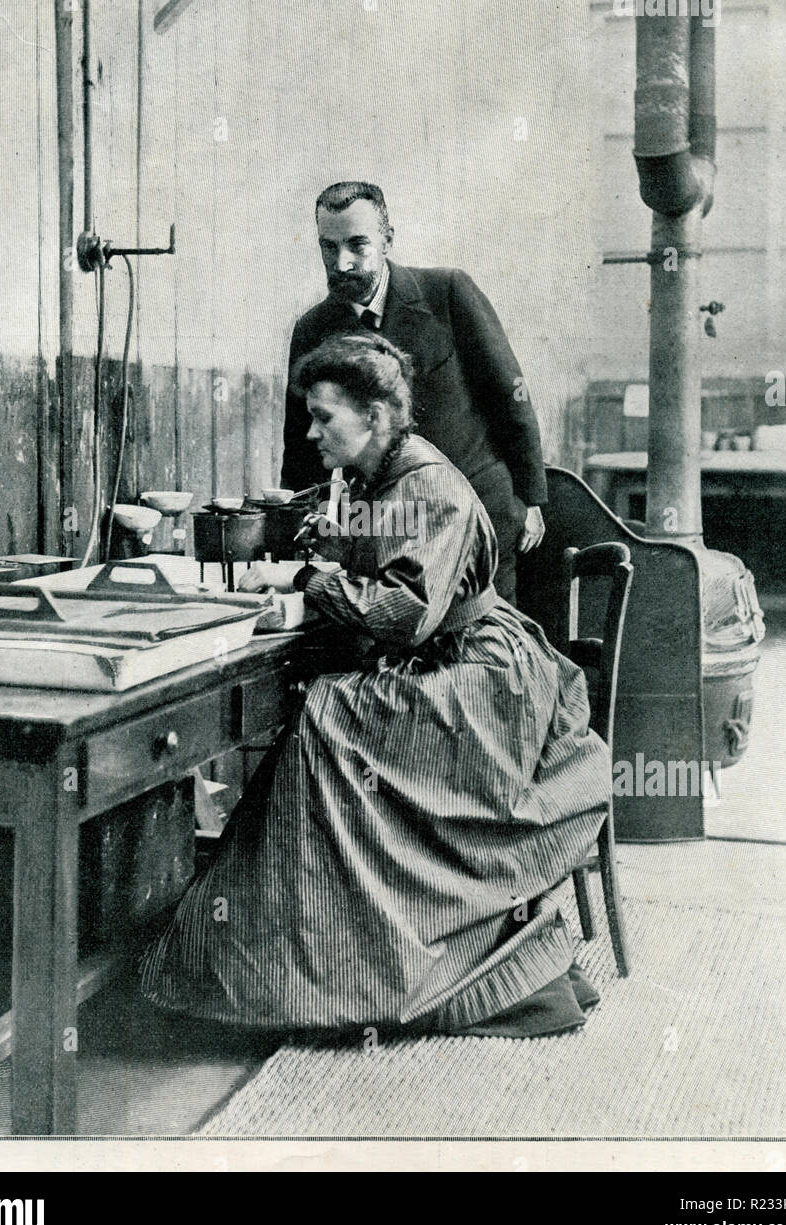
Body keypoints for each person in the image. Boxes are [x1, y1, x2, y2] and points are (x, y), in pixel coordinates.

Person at [141, 334, 611, 1041]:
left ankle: (340, 966)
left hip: (482, 679)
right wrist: (320, 555)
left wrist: (309, 579)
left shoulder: (425, 486)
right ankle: (308, 952)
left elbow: (402, 615)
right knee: (326, 709)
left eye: (324, 417)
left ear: (377, 416)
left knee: (328, 719)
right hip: (448, 662)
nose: (310, 432)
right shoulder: (380, 481)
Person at [280, 180, 547, 605]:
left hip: (479, 505)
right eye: (328, 248)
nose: (342, 262)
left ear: (388, 240)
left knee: (474, 636)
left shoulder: (448, 293)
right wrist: (300, 531)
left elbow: (509, 393)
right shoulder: (313, 329)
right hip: (384, 521)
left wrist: (530, 500)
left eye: (357, 245)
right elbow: (301, 444)